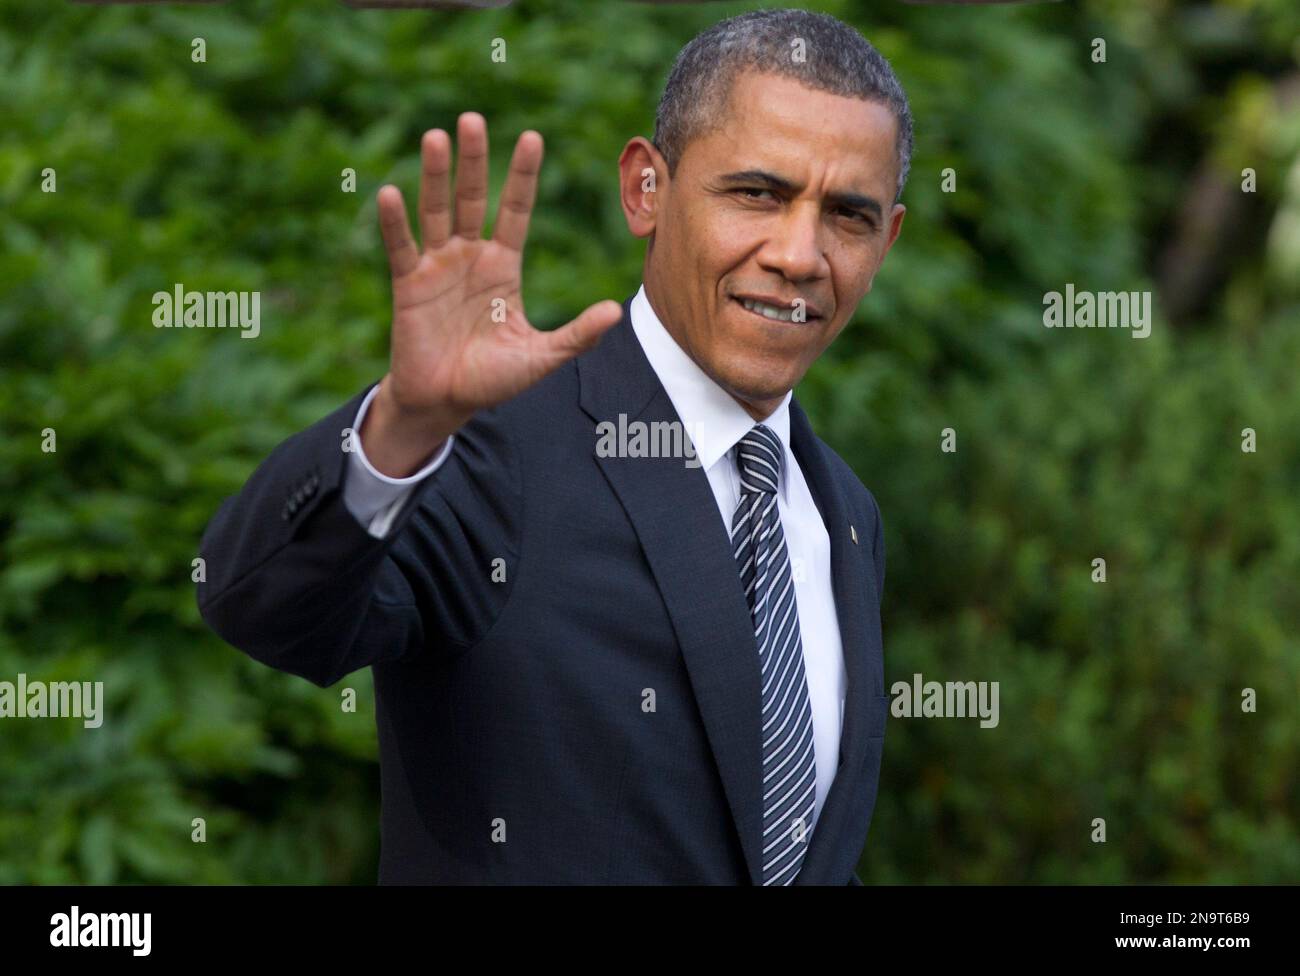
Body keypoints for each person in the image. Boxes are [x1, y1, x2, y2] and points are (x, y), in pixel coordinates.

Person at [197, 7, 909, 884]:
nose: (800, 254)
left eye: (846, 215)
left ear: (887, 240)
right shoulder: (495, 448)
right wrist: (404, 428)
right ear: (647, 188)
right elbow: (261, 608)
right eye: (757, 193)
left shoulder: (846, 518)